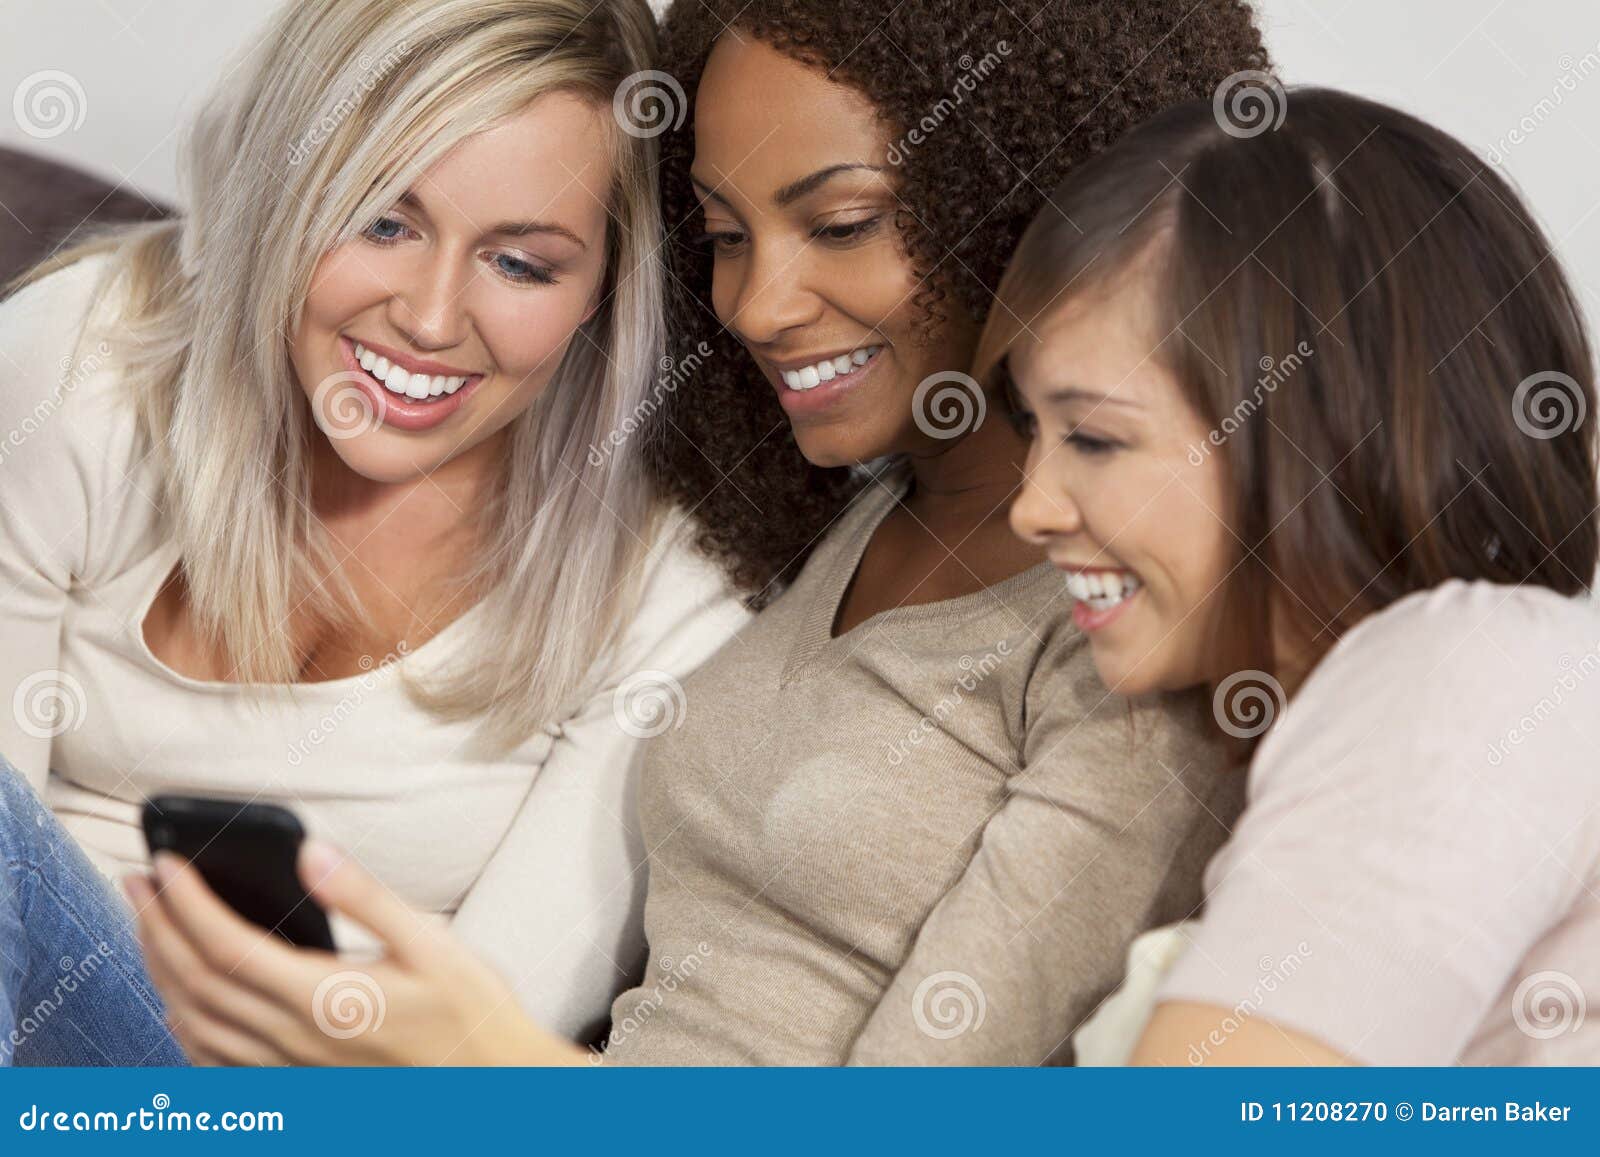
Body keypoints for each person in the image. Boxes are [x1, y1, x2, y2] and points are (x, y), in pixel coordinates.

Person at [133, 0, 1273, 1065]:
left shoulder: (1126, 619)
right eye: (725, 235)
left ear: (1033, 195)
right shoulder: (848, 515)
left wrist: (495, 1071)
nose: (756, 304)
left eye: (842, 223)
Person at [0, 0, 749, 1065]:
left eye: (522, 264)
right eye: (382, 222)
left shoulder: (663, 593)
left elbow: (485, 1042)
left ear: (605, 288)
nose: (433, 320)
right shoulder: (83, 365)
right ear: (287, 191)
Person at [990, 85, 1600, 1065]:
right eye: (1033, 431)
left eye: (1095, 437)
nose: (1032, 507)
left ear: (1320, 429)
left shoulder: (1466, 668)